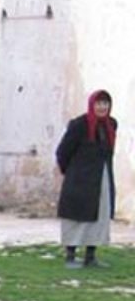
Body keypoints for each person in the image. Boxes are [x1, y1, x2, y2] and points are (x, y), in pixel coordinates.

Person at [56, 89, 118, 269]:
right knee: (77, 217)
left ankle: (91, 256)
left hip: (102, 177)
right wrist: (72, 172)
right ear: (92, 104)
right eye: (99, 103)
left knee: (99, 216)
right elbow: (63, 152)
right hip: (80, 179)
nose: (102, 107)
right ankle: (71, 255)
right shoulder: (79, 125)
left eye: (105, 103)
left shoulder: (110, 125)